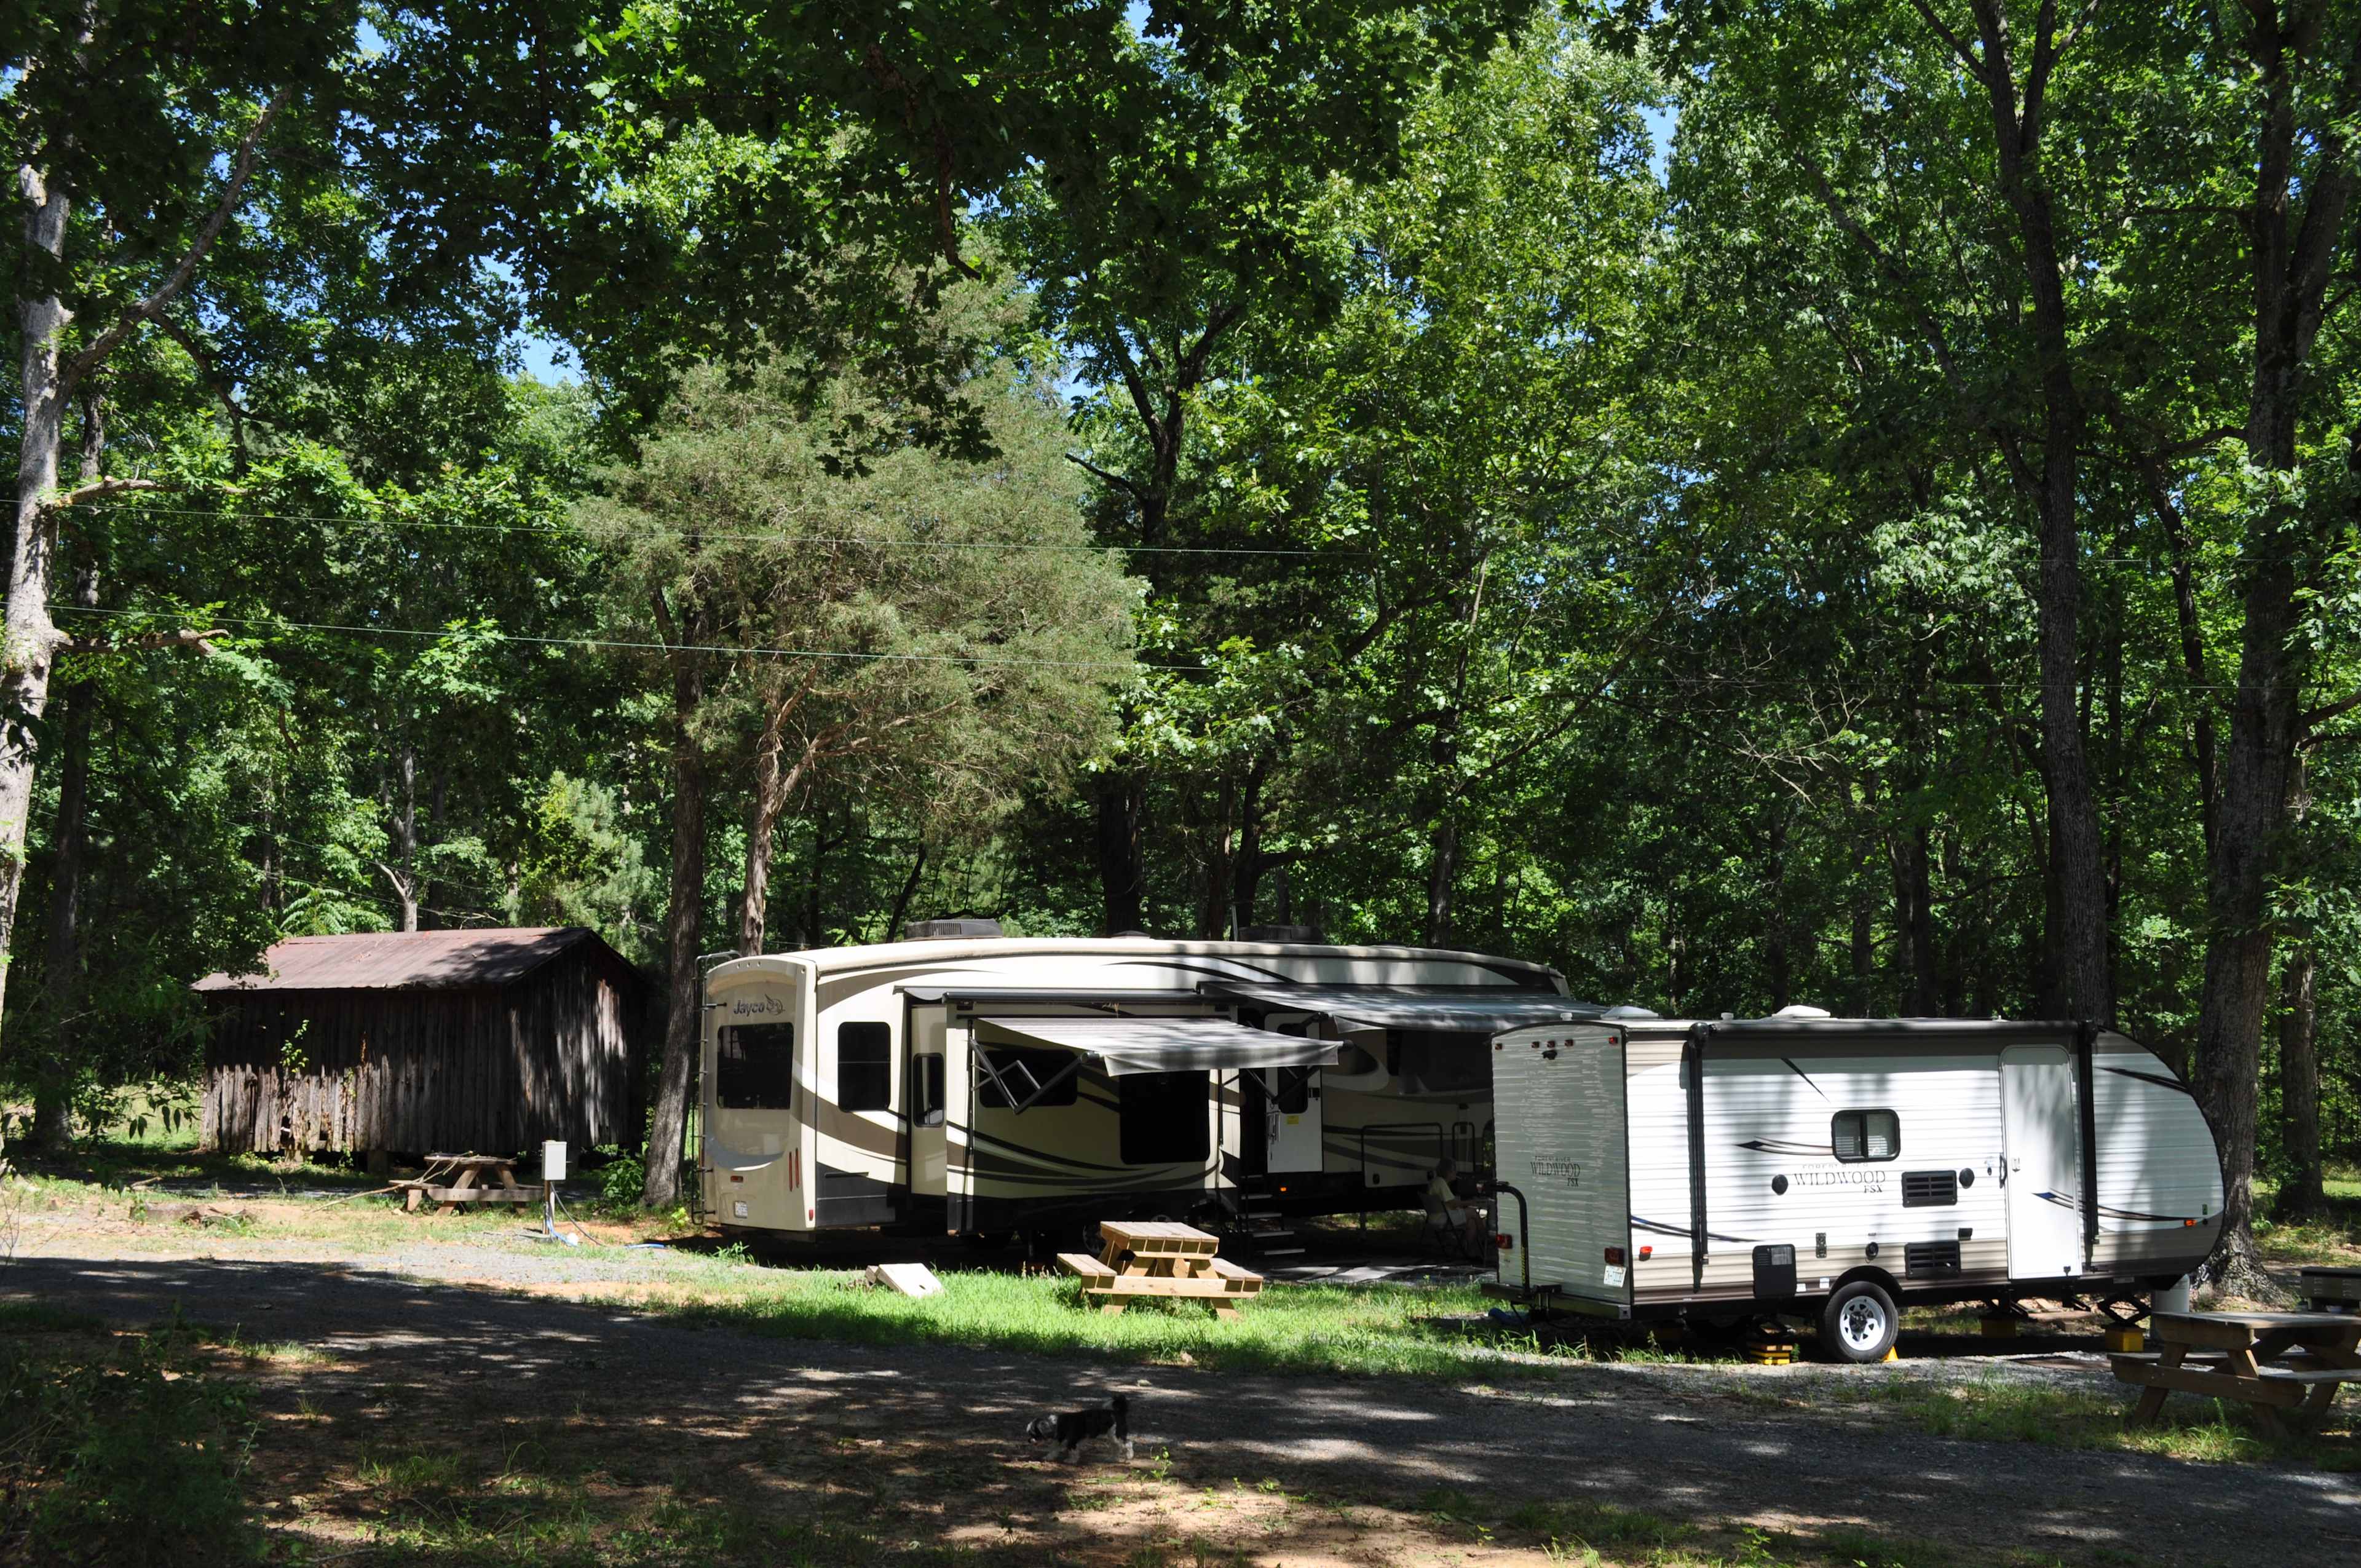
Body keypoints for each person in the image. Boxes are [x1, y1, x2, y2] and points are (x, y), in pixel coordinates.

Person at [1425, 1156, 1485, 1252]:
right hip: (1443, 1219)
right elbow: (1453, 1205)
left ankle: (1467, 1250)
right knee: (1473, 1212)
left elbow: (1450, 1203)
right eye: (1454, 1170)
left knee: (1472, 1223)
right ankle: (1485, 1239)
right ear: (1449, 1172)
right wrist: (1471, 1202)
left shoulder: (1436, 1181)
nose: (1456, 1173)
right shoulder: (1441, 1183)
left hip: (1435, 1218)